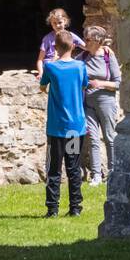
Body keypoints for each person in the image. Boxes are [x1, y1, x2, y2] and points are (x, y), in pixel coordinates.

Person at [39, 30, 88, 217]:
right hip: (75, 127)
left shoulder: (51, 68)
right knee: (73, 167)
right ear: (74, 46)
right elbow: (84, 85)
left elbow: (43, 86)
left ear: (55, 47)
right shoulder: (80, 67)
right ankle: (75, 208)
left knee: (54, 168)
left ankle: (52, 209)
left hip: (56, 128)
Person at [77, 25, 120, 185]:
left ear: (97, 41)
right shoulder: (82, 57)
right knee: (93, 138)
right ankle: (96, 175)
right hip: (87, 103)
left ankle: (114, 172)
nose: (85, 42)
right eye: (85, 38)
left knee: (109, 137)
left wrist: (99, 83)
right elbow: (70, 68)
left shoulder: (108, 57)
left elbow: (118, 83)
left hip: (106, 102)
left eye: (87, 39)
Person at [36, 7, 84, 78]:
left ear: (65, 21)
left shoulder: (70, 36)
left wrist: (101, 47)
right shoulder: (47, 38)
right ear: (51, 24)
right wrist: (41, 73)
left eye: (60, 22)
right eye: (54, 23)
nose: (57, 25)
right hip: (51, 64)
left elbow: (86, 47)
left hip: (65, 62)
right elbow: (40, 60)